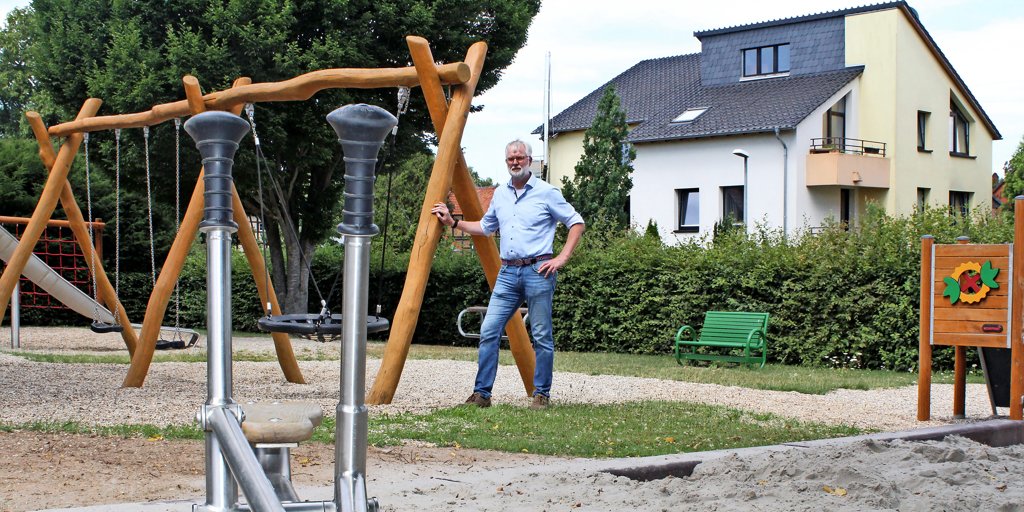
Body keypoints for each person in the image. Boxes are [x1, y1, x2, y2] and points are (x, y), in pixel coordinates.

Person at [431, 139, 585, 410]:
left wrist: (561, 258)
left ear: (529, 160)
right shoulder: (501, 194)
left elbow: (576, 222)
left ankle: (541, 394)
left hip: (539, 269)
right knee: (489, 330)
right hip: (508, 272)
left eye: (520, 157)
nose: (516, 162)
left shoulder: (547, 192)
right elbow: (485, 227)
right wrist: (453, 221)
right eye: (511, 159)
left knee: (541, 335)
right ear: (507, 163)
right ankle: (482, 394)